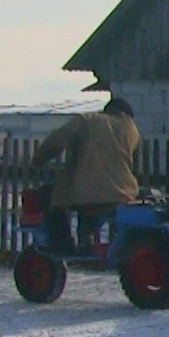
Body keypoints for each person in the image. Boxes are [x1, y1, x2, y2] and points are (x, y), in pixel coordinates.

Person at [31, 97, 141, 250]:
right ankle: (85, 240)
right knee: (88, 195)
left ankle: (62, 245)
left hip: (87, 192)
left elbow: (57, 141)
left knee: (48, 195)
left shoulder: (87, 121)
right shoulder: (131, 129)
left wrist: (38, 160)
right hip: (124, 192)